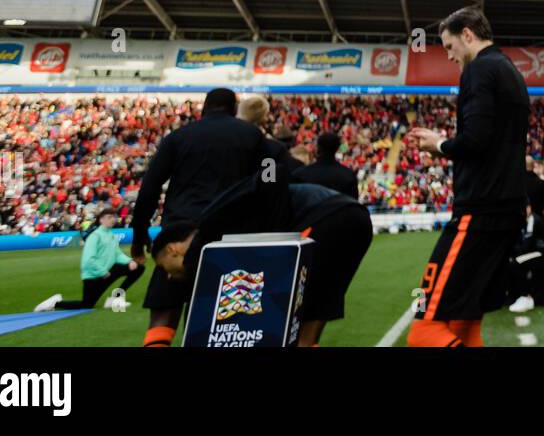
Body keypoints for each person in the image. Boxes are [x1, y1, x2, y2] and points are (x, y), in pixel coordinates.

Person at [402, 6, 530, 347]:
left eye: (449, 46)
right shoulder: (511, 71)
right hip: (507, 210)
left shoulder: (478, 70)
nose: (449, 56)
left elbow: (475, 141)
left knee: (424, 330)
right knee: (464, 325)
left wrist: (438, 144)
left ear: (468, 35)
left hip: (480, 211)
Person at [150, 170, 372, 347]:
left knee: (299, 314)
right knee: (311, 313)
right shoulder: (213, 244)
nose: (168, 276)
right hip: (355, 219)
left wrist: (277, 238)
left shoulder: (208, 225)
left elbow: (273, 170)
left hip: (327, 217)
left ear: (172, 249)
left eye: (163, 267)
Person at [130, 87, 270, 347]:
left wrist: (139, 236)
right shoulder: (253, 136)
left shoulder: (178, 137)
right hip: (231, 239)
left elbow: (149, 188)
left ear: (203, 108)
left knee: (163, 315)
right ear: (234, 108)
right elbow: (269, 180)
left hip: (179, 238)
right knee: (225, 322)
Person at [36, 208, 145, 311]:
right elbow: (88, 260)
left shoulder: (111, 235)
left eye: (113, 217)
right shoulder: (95, 236)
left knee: (138, 268)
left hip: (107, 272)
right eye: (109, 217)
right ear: (101, 220)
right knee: (87, 305)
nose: (113, 219)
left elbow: (117, 254)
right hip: (94, 276)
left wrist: (130, 261)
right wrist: (102, 272)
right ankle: (55, 303)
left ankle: (116, 298)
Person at [507, 201, 544, 313]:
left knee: (515, 263)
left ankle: (525, 296)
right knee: (540, 297)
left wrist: (513, 253)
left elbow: (526, 245)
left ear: (529, 208)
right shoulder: (522, 220)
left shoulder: (532, 220)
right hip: (539, 253)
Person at [293, 132, 359, 197]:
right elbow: (353, 201)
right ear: (337, 148)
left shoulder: (301, 174)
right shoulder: (348, 175)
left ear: (318, 148)